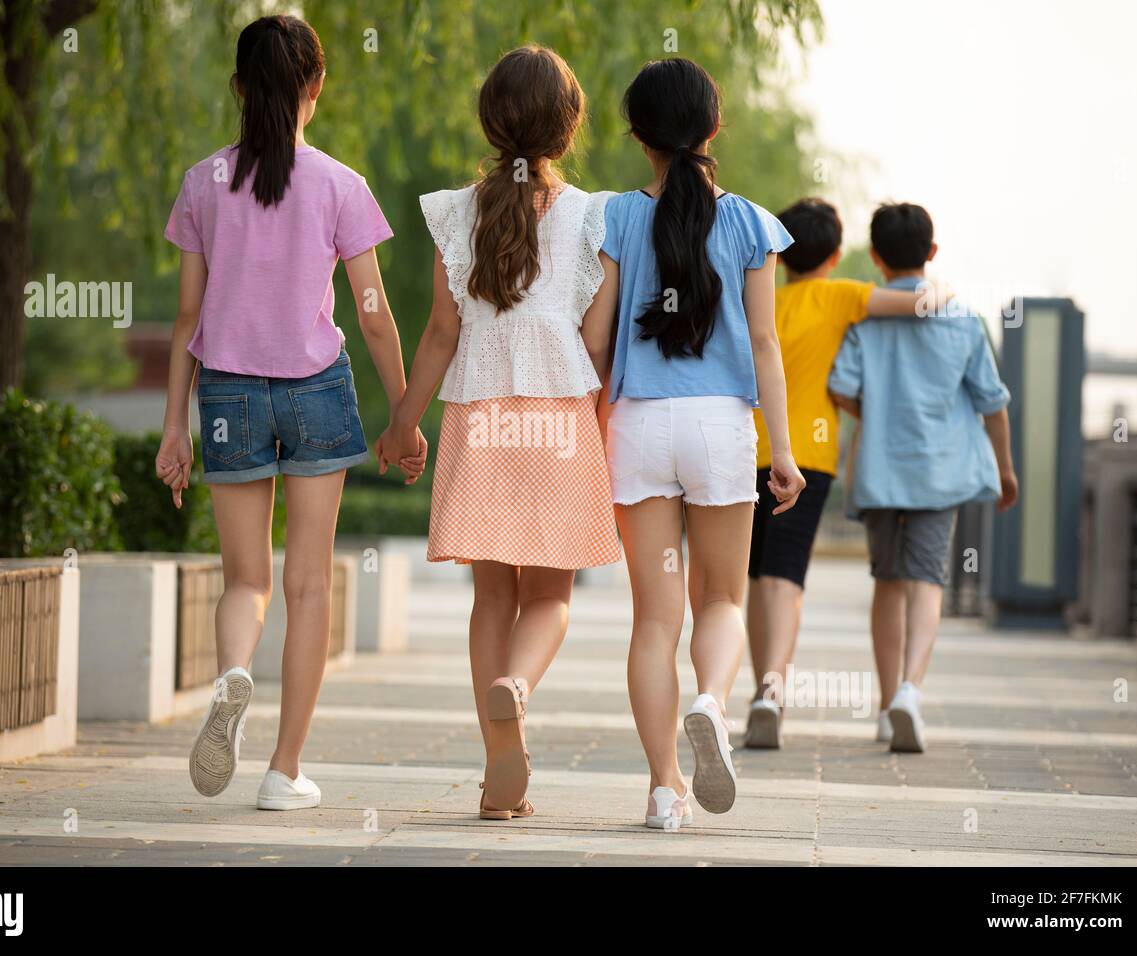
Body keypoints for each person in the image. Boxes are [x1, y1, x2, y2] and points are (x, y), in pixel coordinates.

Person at [155, 16, 425, 810]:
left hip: (229, 392)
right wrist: (405, 416)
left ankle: (234, 674)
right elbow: (373, 312)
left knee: (247, 579)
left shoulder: (204, 183)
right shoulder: (341, 185)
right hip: (315, 390)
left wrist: (176, 425)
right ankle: (283, 771)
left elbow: (185, 320)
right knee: (310, 587)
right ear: (316, 87)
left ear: (239, 88)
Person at [387, 46, 621, 820]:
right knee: (550, 594)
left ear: (490, 119)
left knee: (492, 594)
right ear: (571, 124)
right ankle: (516, 690)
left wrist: (403, 421)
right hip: (558, 415)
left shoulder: (456, 212)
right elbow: (595, 344)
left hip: (479, 411)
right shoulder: (595, 215)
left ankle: (497, 775)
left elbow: (439, 333)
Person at [582, 58, 805, 830]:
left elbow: (596, 339)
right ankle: (710, 701)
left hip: (641, 425)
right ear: (714, 128)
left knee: (654, 619)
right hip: (719, 427)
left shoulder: (614, 217)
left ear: (639, 135)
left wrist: (590, 419)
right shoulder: (750, 223)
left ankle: (661, 791)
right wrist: (782, 450)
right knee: (722, 597)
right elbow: (767, 347)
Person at [745, 198, 951, 749]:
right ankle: (772, 690)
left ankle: (761, 692)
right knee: (786, 577)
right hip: (805, 457)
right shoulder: (842, 296)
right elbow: (920, 305)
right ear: (836, 255)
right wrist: (949, 290)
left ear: (781, 253)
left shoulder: (758, 298)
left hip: (745, 449)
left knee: (755, 577)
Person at [828, 201, 1018, 753]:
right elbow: (993, 404)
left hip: (881, 471)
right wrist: (1005, 469)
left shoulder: (868, 318)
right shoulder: (963, 320)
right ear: (931, 253)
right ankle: (912, 689)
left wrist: (877, 416)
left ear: (879, 259)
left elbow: (841, 388)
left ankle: (888, 709)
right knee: (927, 581)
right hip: (941, 472)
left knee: (887, 583)